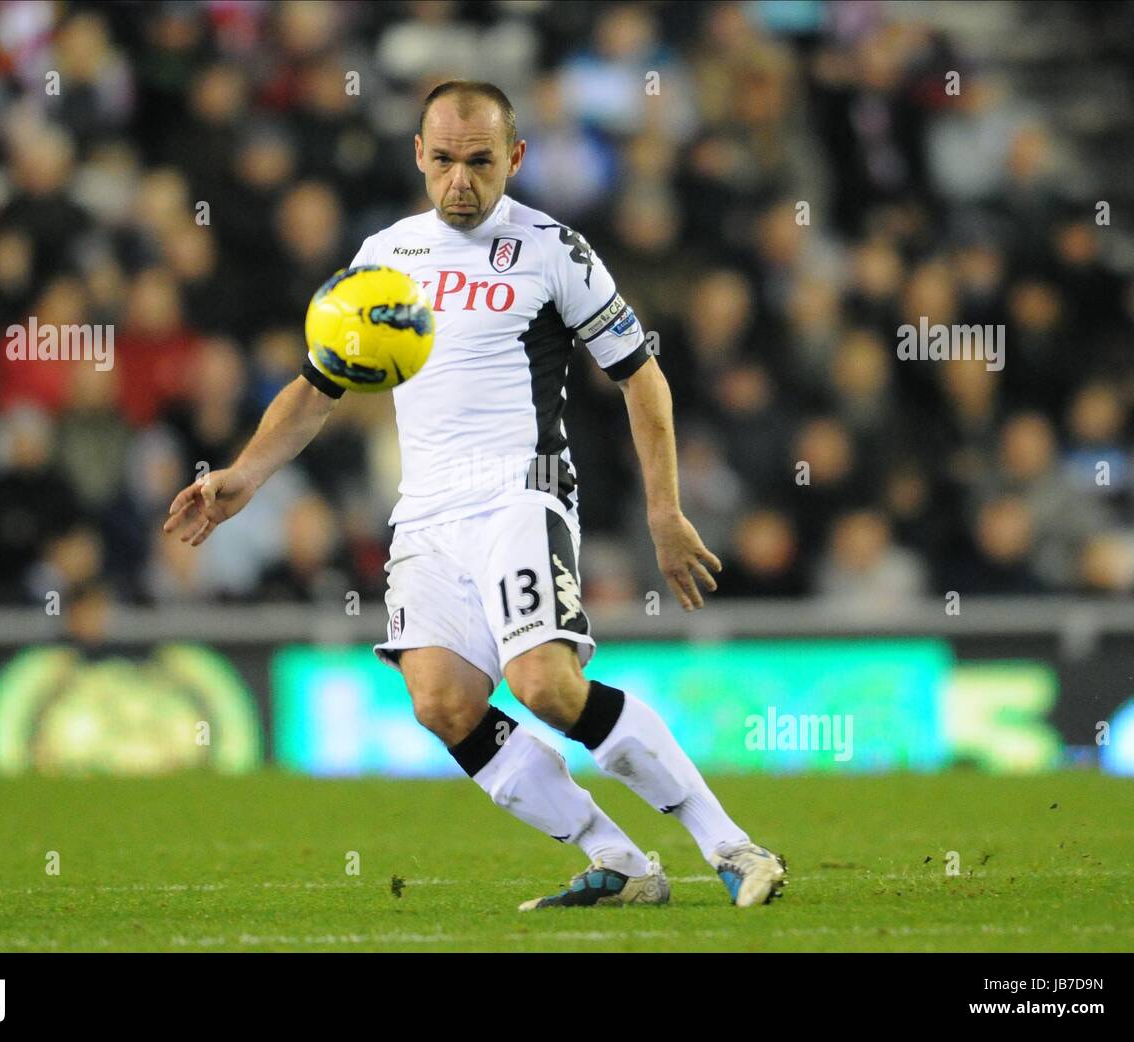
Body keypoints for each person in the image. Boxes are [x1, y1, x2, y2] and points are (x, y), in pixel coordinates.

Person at [164, 81, 786, 910]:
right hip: (424, 513)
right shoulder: (385, 256)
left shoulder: (554, 249)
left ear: (515, 158)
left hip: (520, 495)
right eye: (446, 160)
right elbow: (319, 386)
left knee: (545, 686)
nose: (462, 180)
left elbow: (642, 380)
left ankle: (733, 847)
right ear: (419, 155)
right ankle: (621, 863)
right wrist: (243, 473)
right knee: (444, 703)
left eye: (482, 161)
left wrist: (664, 511)